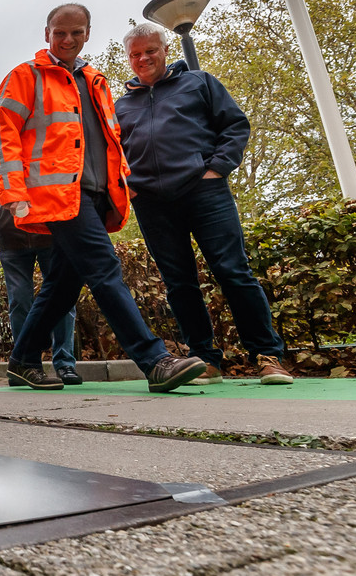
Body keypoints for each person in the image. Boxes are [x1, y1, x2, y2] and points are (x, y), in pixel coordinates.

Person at [0, 3, 204, 392]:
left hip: (96, 193)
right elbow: (4, 136)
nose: (67, 39)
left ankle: (22, 361)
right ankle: (154, 360)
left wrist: (121, 183)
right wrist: (13, 193)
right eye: (59, 32)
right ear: (46, 34)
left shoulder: (96, 81)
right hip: (57, 195)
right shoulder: (25, 77)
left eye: (76, 32)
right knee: (106, 269)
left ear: (87, 33)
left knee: (63, 284)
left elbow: (109, 141)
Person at [115, 23, 293, 386]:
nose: (143, 58)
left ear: (165, 49)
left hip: (204, 192)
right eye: (136, 54)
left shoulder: (198, 82)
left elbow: (235, 125)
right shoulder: (120, 106)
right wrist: (129, 188)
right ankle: (205, 359)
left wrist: (216, 169)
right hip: (152, 202)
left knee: (233, 271)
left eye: (150, 50)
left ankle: (267, 355)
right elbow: (112, 151)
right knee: (178, 283)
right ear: (129, 60)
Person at [0, 146, 79, 382]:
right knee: (20, 301)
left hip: (50, 235)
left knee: (63, 298)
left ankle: (65, 363)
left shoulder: (45, 143)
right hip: (12, 241)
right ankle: (26, 364)